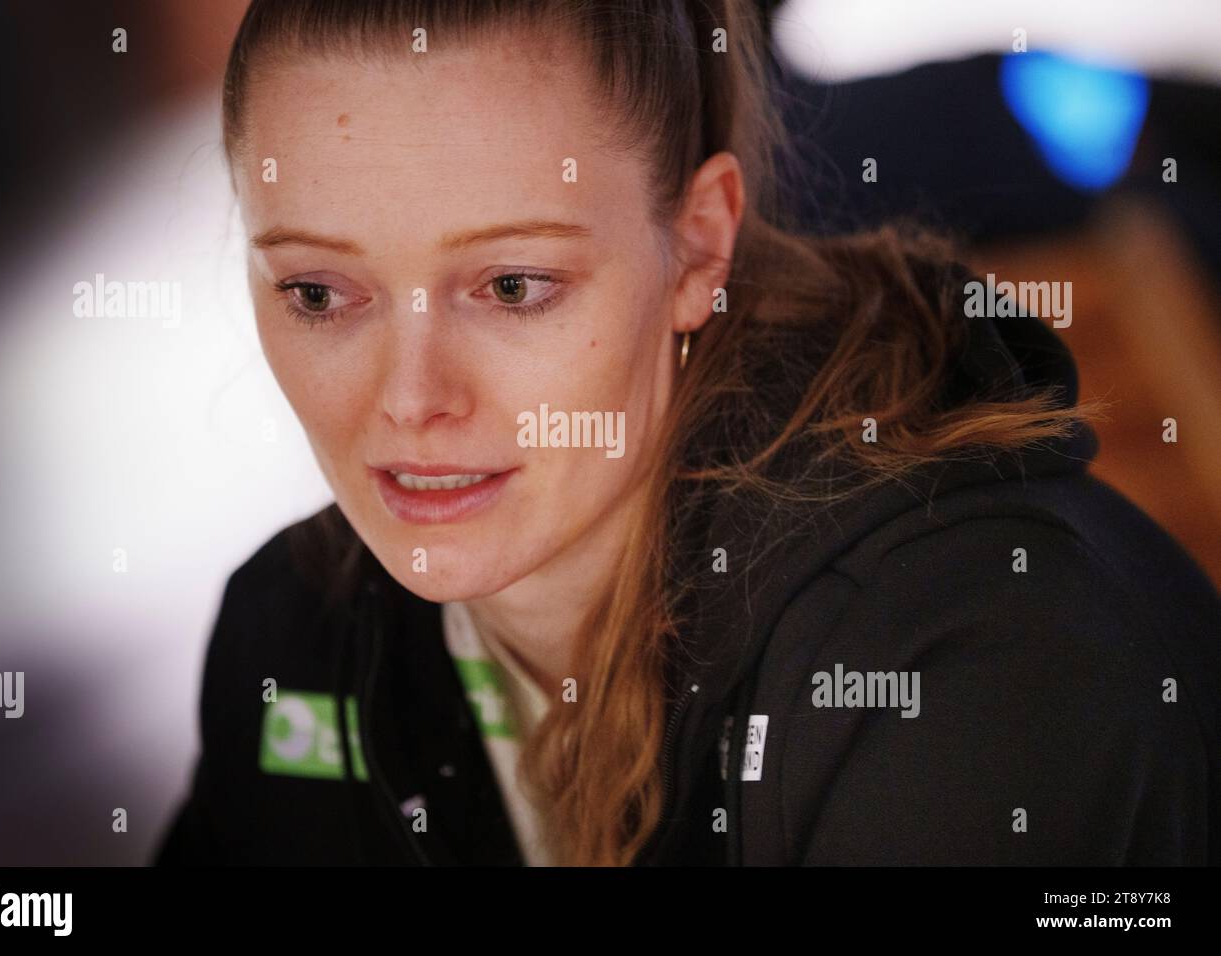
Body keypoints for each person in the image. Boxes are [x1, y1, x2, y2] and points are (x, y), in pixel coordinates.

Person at [152, 0, 1221, 866]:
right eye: (319, 294)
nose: (409, 399)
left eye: (514, 284)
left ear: (700, 247)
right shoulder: (294, 637)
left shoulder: (975, 666)